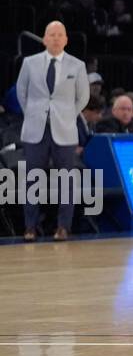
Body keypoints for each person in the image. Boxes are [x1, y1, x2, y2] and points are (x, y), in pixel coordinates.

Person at [15, 21, 89, 241]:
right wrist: (33, 113)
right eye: (51, 34)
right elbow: (22, 92)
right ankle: (30, 227)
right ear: (45, 39)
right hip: (35, 129)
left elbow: (82, 98)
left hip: (64, 130)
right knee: (32, 180)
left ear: (66, 40)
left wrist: (67, 115)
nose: (56, 38)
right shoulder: (29, 63)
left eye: (60, 35)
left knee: (66, 180)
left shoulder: (77, 66)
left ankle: (63, 227)